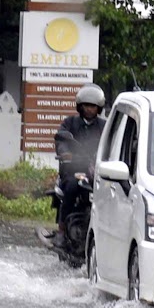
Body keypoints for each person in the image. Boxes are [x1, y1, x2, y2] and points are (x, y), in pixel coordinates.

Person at [51, 83, 107, 235]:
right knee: (71, 188)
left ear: (99, 108)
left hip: (96, 172)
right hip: (72, 170)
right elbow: (61, 139)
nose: (89, 109)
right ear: (80, 106)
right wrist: (65, 153)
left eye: (93, 106)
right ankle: (62, 230)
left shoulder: (105, 126)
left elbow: (111, 144)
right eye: (86, 105)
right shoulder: (70, 123)